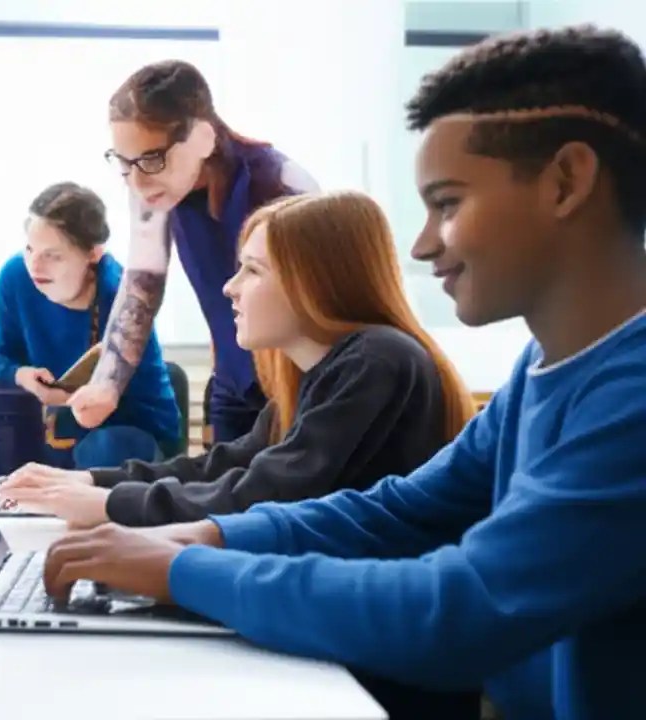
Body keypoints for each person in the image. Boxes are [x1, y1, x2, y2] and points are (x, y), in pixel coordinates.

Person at [41, 25, 646, 720]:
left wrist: (181, 567)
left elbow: (458, 608)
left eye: (448, 204)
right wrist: (202, 537)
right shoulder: (543, 368)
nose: (420, 245)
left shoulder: (632, 397)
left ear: (566, 181)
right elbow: (396, 510)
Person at [0, 191, 476, 530]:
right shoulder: (321, 375)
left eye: (252, 270)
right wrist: (87, 480)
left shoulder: (378, 359)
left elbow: (262, 494)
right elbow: (226, 467)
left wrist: (108, 504)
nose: (229, 287)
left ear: (312, 282)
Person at [67, 60, 318, 444]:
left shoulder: (282, 185)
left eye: (152, 159)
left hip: (298, 383)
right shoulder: (152, 188)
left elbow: (325, 307)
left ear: (203, 137)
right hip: (233, 383)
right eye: (124, 162)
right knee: (220, 495)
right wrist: (106, 385)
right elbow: (141, 287)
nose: (137, 181)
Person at [0, 182, 180, 470]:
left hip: (131, 432)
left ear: (93, 254)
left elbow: (133, 395)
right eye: (30, 249)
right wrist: (21, 375)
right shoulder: (15, 277)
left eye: (53, 255)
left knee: (102, 450)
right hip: (60, 433)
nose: (35, 266)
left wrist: (79, 396)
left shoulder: (125, 295)